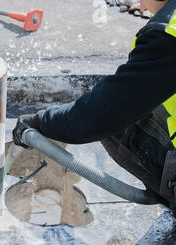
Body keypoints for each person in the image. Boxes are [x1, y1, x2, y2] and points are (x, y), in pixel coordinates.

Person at [13, 0, 176, 208]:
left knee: (117, 118)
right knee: (132, 104)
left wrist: (40, 122)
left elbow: (98, 116)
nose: (140, 5)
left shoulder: (169, 34)